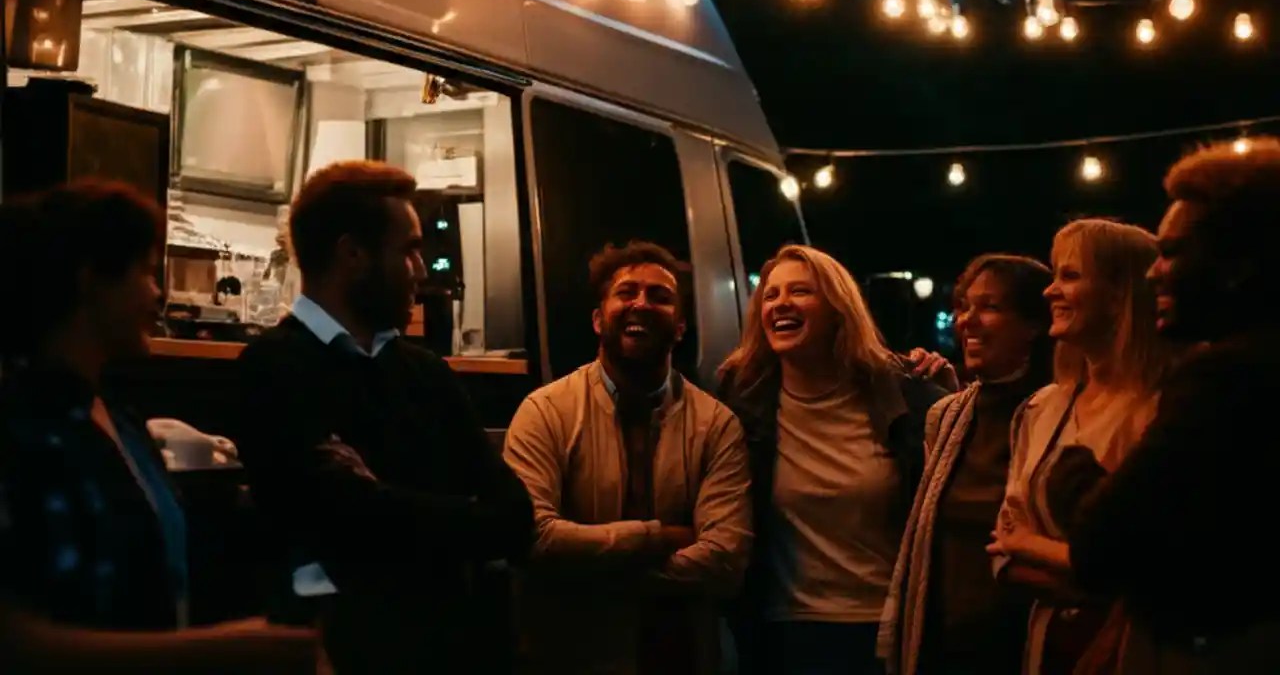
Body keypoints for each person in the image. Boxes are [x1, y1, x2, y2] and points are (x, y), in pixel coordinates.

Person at [0, 180, 317, 673]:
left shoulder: (119, 421)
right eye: (146, 273)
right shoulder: (24, 431)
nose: (158, 293)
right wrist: (215, 651)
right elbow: (15, 643)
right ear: (89, 282)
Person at [231, 161, 534, 674]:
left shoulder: (425, 371)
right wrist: (456, 513)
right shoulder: (274, 368)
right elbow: (336, 522)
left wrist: (382, 500)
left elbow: (515, 519)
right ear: (353, 254)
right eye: (410, 250)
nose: (422, 269)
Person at [1070, 138, 1280, 673]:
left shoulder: (1226, 380)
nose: (1153, 272)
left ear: (1239, 263)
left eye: (1172, 253)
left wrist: (1069, 476)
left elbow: (1099, 546)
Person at [502, 241, 752, 675]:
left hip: (682, 658)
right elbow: (534, 537)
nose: (641, 303)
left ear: (680, 327)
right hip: (567, 659)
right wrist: (659, 536)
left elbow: (725, 560)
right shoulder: (545, 412)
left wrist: (589, 575)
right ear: (598, 320)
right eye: (627, 292)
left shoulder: (717, 425)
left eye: (660, 296)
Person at [717, 244, 949, 675]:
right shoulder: (741, 405)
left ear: (838, 310)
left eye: (801, 291)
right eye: (771, 295)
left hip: (886, 631)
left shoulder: (902, 397)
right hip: (782, 635)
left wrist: (953, 396)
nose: (781, 303)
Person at [985, 219, 1166, 675]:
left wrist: (1031, 547)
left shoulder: (1170, 408)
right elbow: (1002, 550)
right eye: (1053, 276)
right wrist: (1096, 578)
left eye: (1069, 276)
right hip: (1047, 650)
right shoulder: (1040, 410)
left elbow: (1156, 566)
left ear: (1119, 292)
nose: (1049, 292)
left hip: (1137, 653)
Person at [880, 254, 1053, 675]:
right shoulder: (948, 415)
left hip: (1022, 645)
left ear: (1033, 324)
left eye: (990, 307)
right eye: (964, 306)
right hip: (943, 642)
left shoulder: (1059, 413)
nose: (967, 321)